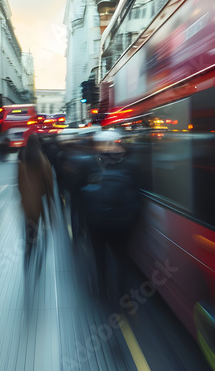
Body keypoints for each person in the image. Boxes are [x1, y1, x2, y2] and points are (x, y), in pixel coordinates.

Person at [81, 129, 141, 301]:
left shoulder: (89, 164)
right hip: (122, 223)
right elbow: (138, 193)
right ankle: (122, 292)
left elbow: (78, 190)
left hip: (96, 223)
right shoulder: (130, 165)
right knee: (122, 257)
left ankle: (102, 290)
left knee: (100, 257)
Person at [17, 133, 54, 267]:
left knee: (29, 229)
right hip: (39, 203)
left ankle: (28, 256)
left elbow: (19, 185)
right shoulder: (43, 161)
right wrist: (51, 203)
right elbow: (49, 184)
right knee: (37, 228)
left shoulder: (22, 162)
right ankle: (37, 256)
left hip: (26, 204)